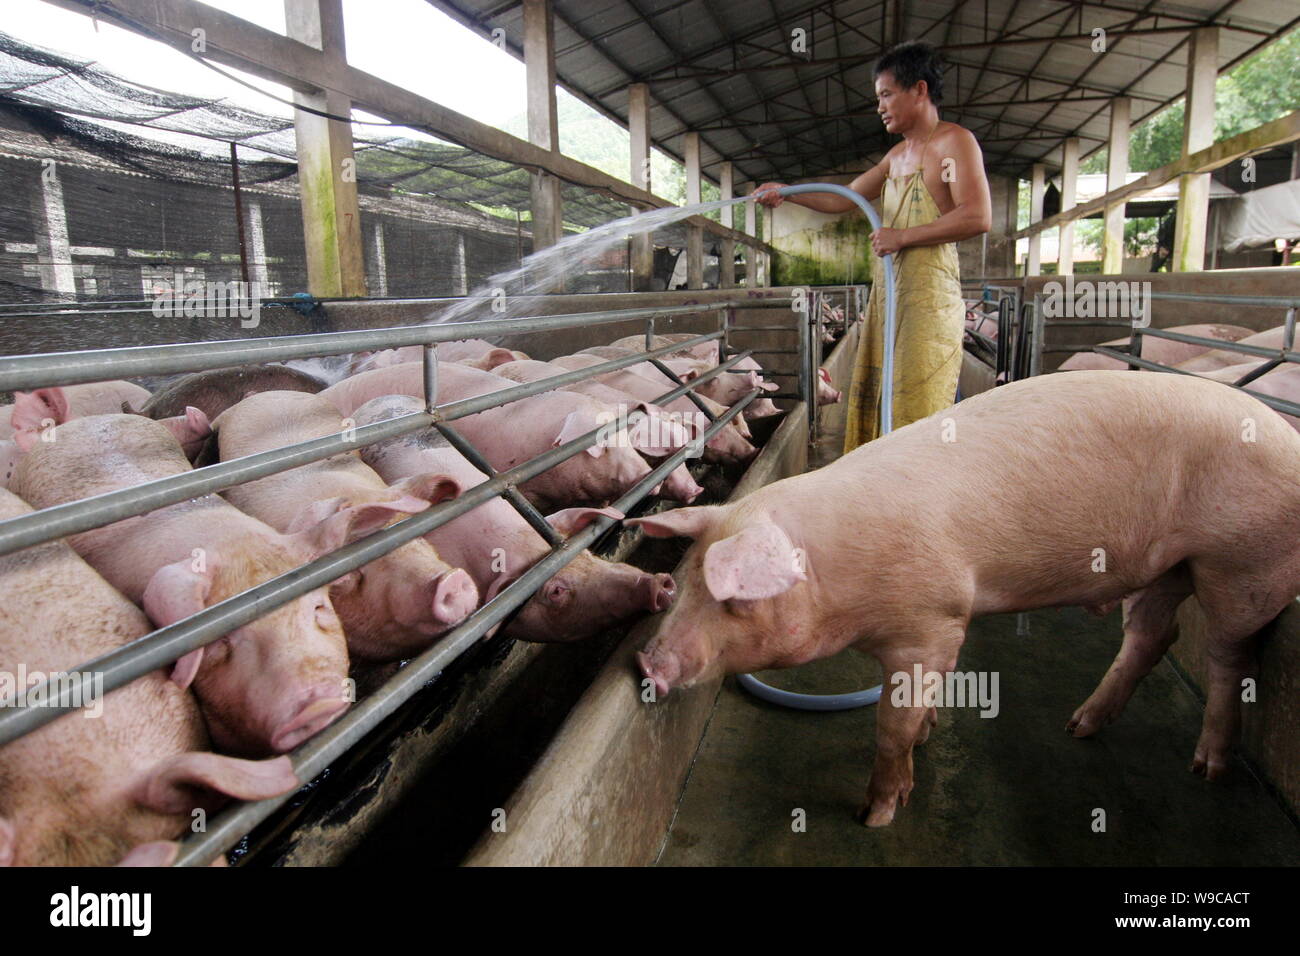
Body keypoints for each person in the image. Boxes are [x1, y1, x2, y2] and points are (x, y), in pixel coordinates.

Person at [756, 41, 992, 452]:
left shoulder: (954, 143)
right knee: (876, 393)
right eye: (878, 98)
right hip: (889, 298)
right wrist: (788, 192)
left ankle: (916, 500)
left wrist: (902, 237)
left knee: (919, 398)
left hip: (928, 302)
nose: (880, 106)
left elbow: (977, 215)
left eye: (886, 95)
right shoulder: (896, 157)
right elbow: (843, 200)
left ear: (919, 90)